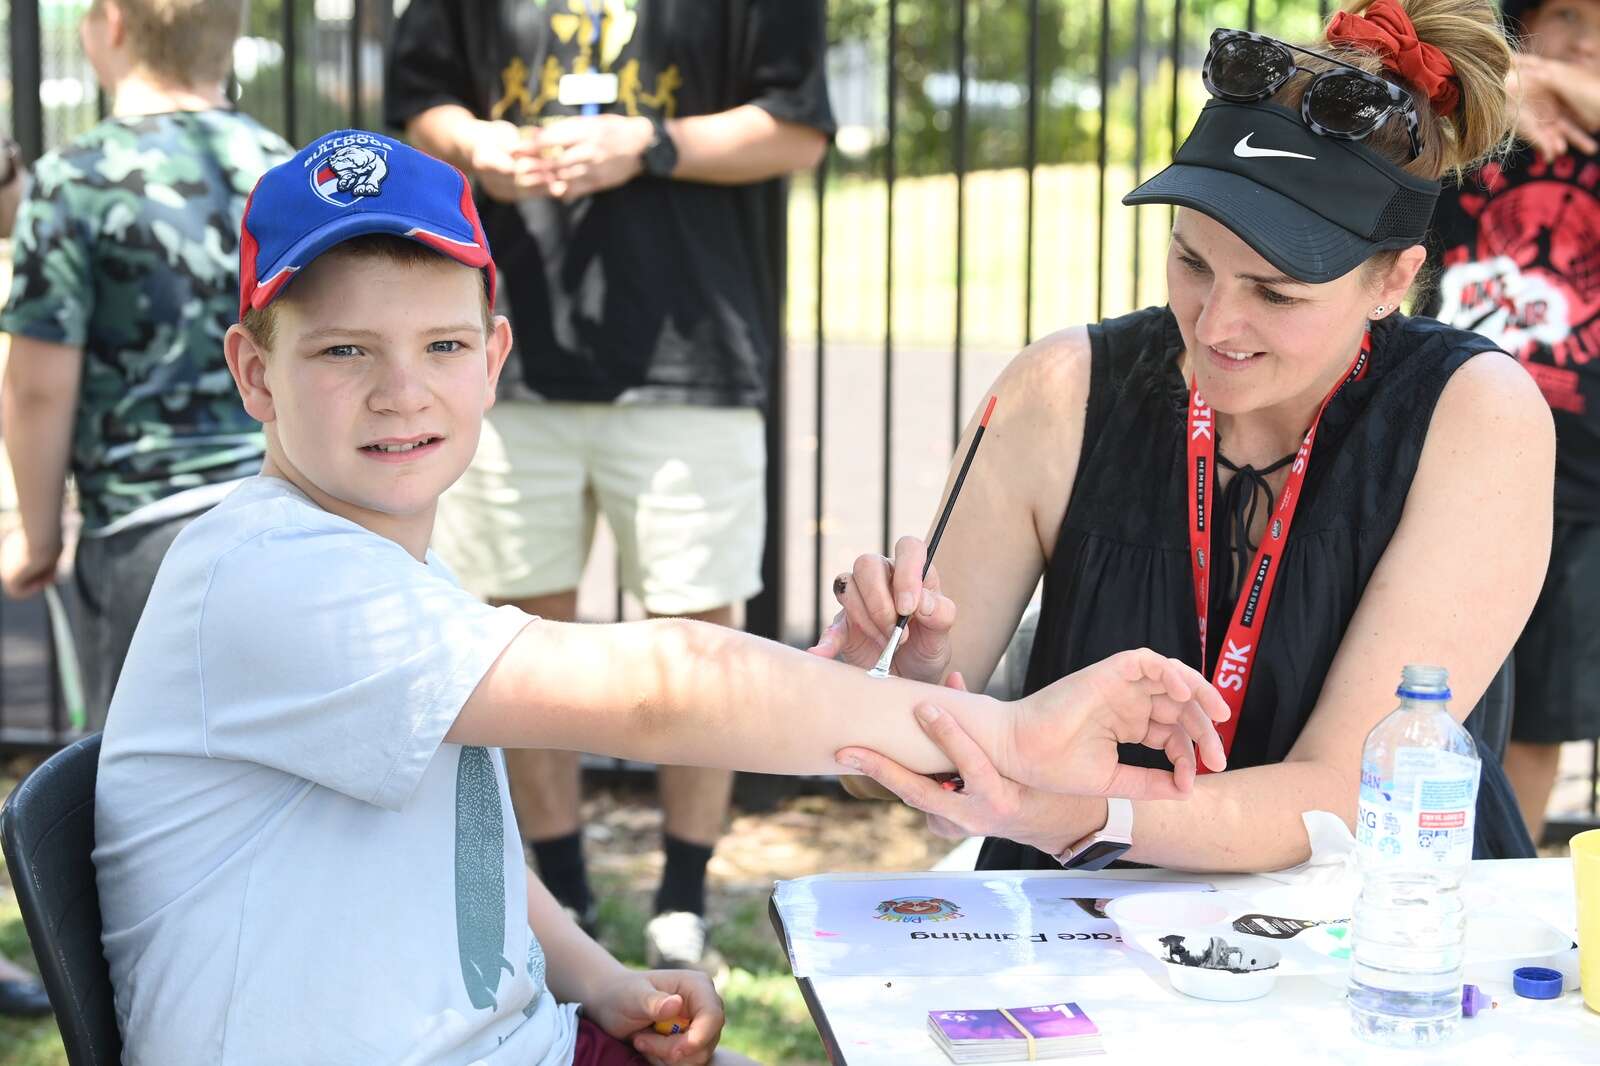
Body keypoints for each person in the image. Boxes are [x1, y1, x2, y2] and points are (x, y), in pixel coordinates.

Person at [90, 130, 1230, 1065]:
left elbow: (451, 835)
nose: (400, 390)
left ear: (492, 362)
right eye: (342, 351)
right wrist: (1012, 729)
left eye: (438, 342)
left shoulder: (386, 571)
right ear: (253, 373)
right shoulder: (273, 577)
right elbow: (664, 691)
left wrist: (598, 976)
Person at [813, 0, 1555, 873]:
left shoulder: (1476, 413)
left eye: (1276, 293)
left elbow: (1351, 793)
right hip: (1085, 942)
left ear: (1393, 280)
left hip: (1385, 952)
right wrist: (889, 677)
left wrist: (1066, 813)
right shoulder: (1058, 391)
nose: (1214, 324)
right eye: (1191, 262)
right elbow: (888, 769)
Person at [383, 0, 833, 973]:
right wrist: (476, 145)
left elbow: (797, 127)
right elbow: (421, 100)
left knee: (702, 645)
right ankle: (562, 892)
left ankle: (683, 897)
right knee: (518, 647)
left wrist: (650, 145)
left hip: (692, 351)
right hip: (511, 353)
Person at [0, 0, 291, 725]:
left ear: (113, 25)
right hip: (286, 507)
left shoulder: (73, 180)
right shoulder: (284, 168)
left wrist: (38, 535)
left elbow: (37, 386)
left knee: (131, 778)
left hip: (145, 529)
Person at [1414, 0, 1600, 844]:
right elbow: (1385, 60)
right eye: (1566, 16)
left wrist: (1564, 81)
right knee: (1423, 689)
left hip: (1583, 483)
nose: (1589, 40)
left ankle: (1507, 868)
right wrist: (1506, 82)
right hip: (1443, 459)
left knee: (1543, 714)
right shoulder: (1475, 113)